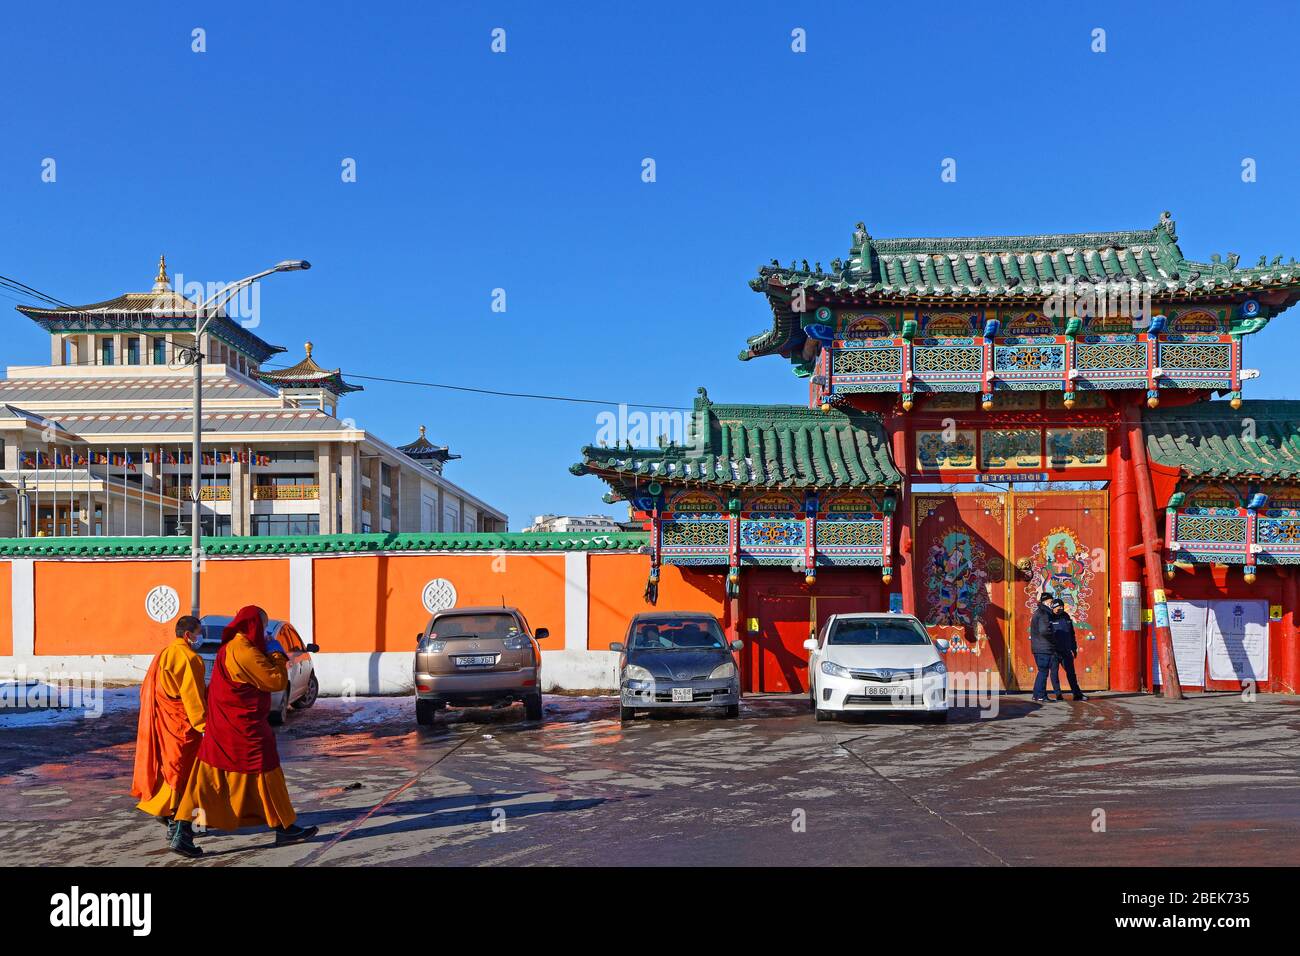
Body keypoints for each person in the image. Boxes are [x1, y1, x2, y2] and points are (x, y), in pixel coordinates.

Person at [175, 605, 317, 849]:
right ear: (254, 626)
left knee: (211, 778)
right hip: (242, 728)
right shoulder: (243, 651)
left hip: (227, 725)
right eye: (263, 627)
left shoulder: (233, 646)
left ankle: (185, 831)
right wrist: (277, 654)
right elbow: (276, 681)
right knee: (266, 769)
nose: (265, 633)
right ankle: (284, 827)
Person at [131, 614, 208, 858]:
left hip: (164, 722)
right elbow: (193, 697)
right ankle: (180, 832)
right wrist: (204, 725)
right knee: (186, 777)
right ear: (188, 635)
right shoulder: (189, 657)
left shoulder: (163, 654)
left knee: (169, 769)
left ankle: (169, 817)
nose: (200, 637)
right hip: (184, 725)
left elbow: (148, 689)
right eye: (199, 633)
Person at [1049, 598, 1088, 702]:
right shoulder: (1049, 617)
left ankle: (1077, 694)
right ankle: (1058, 694)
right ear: (1053, 607)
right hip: (1054, 651)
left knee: (1071, 673)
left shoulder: (1066, 616)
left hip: (1066, 650)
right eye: (1058, 607)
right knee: (1054, 673)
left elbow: (1071, 633)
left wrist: (1073, 648)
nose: (1060, 608)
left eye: (1062, 606)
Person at [1029, 593, 1058, 703]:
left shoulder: (1040, 612)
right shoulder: (1043, 613)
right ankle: (1041, 695)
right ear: (1046, 602)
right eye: (1051, 602)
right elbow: (1044, 630)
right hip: (1044, 648)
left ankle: (1036, 694)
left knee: (1041, 671)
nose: (1052, 604)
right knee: (1044, 672)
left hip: (1039, 647)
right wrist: (1054, 636)